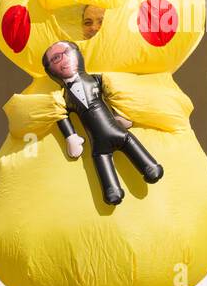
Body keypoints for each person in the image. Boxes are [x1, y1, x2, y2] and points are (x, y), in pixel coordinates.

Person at [43, 41, 163, 206]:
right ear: (50, 69)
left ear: (77, 53)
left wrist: (119, 113)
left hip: (117, 129)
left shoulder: (96, 79)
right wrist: (71, 137)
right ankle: (111, 189)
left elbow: (113, 94)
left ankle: (149, 166)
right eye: (56, 58)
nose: (63, 59)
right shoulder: (63, 98)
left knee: (128, 139)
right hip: (97, 142)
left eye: (66, 52)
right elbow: (62, 116)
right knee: (100, 157)